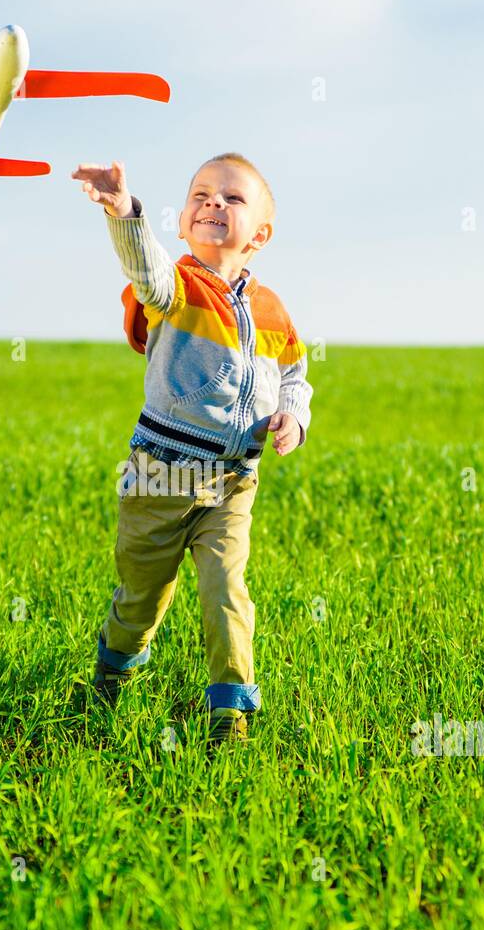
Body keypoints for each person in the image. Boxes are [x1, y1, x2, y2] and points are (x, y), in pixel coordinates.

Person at [71, 153, 313, 742]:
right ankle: (114, 672)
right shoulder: (175, 287)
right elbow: (144, 267)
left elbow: (293, 375)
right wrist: (125, 212)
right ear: (181, 222)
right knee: (142, 597)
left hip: (232, 481)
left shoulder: (273, 309)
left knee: (226, 591)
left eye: (232, 199)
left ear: (260, 234)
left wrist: (293, 416)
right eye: (201, 195)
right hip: (161, 476)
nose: (213, 204)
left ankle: (230, 707)